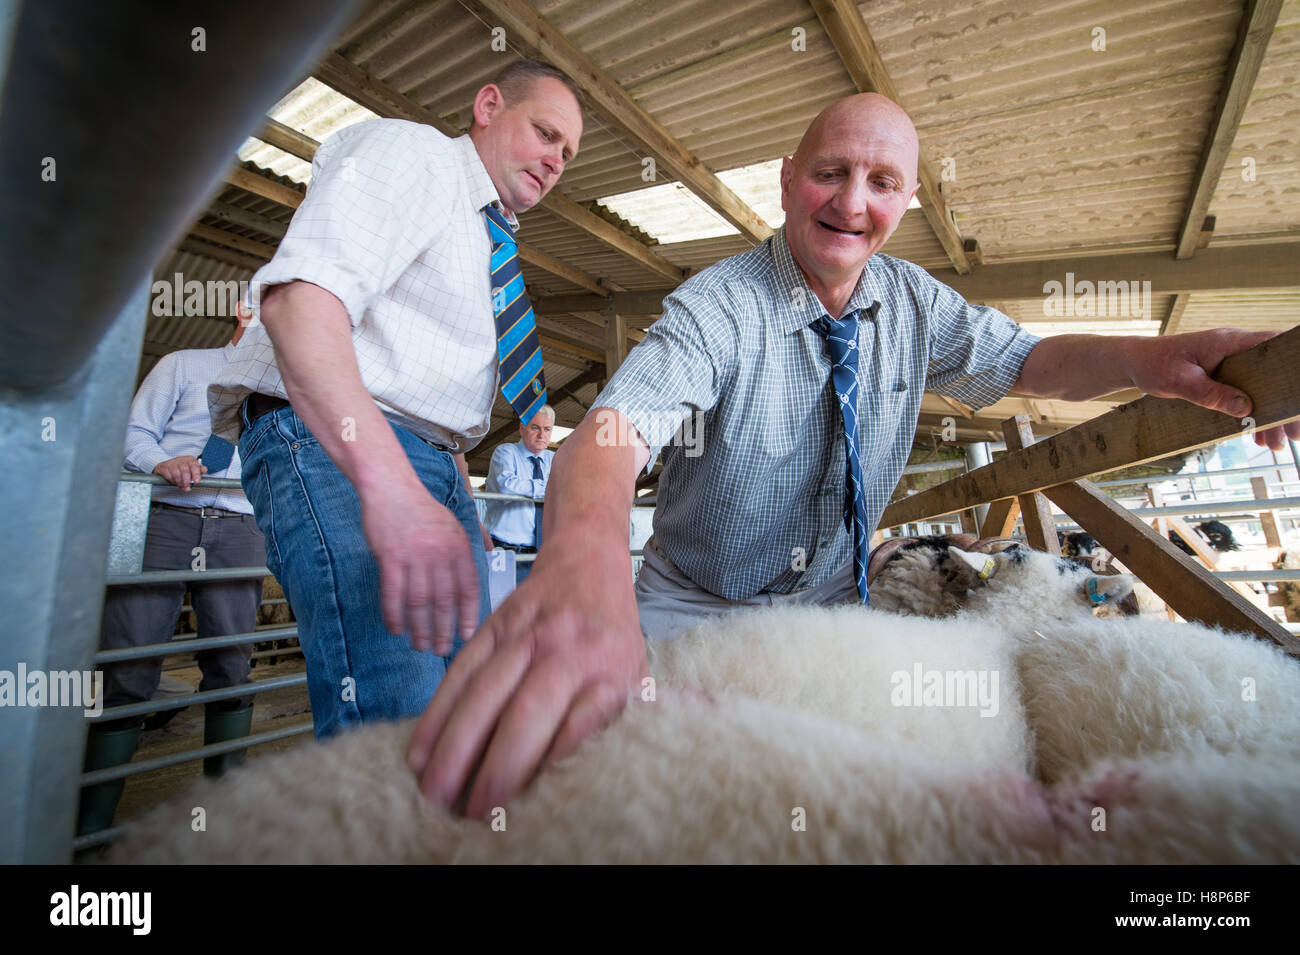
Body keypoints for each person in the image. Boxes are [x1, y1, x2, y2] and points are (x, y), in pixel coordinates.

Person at [406, 91, 1300, 817]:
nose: (852, 201)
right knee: (674, 800)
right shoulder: (720, 307)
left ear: (906, 198)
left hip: (840, 607)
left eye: (881, 181)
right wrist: (584, 574)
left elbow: (1030, 359)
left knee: (841, 805)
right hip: (698, 605)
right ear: (789, 180)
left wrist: (1148, 360)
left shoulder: (916, 300)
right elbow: (608, 433)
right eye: (830, 173)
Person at [207, 60, 584, 739]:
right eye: (546, 132)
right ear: (488, 104)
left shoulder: (486, 239)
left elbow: (427, 383)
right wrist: (395, 488)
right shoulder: (414, 156)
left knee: (471, 715)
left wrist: (449, 483)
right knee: (398, 720)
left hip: (435, 468)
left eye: (568, 153)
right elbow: (300, 303)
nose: (556, 160)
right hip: (340, 445)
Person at [79, 324, 266, 835]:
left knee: (232, 664)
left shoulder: (281, 393)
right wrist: (162, 460)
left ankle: (223, 815)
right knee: (128, 663)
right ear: (243, 312)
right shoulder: (183, 364)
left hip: (239, 525)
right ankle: (93, 827)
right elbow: (132, 432)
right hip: (165, 518)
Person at [483, 406, 555, 582]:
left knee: (538, 607)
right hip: (506, 549)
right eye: (535, 427)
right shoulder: (506, 452)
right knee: (502, 605)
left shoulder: (554, 459)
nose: (541, 435)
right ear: (522, 428)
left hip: (543, 552)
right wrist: (550, 487)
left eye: (547, 429)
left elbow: (568, 489)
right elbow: (507, 487)